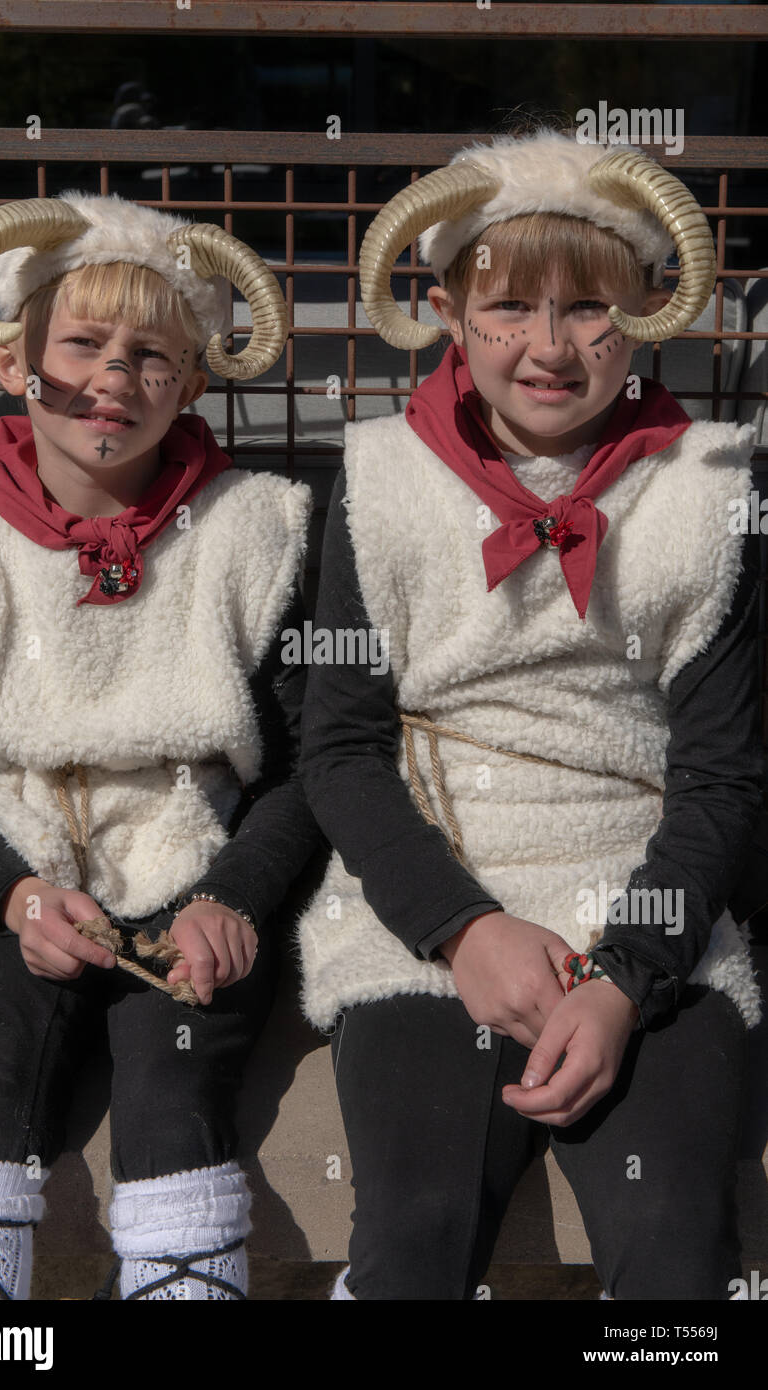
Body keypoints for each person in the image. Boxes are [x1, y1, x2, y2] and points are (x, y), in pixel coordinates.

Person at [297, 125, 764, 1300]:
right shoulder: (379, 482)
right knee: (413, 1224)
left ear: (644, 318)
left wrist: (623, 977)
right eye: (507, 307)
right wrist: (462, 929)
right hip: (433, 904)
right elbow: (341, 745)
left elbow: (721, 775)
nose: (549, 347)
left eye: (591, 310)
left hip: (643, 902)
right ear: (448, 308)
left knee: (672, 1243)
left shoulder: (708, 492)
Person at [0, 192, 320, 1300]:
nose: (112, 378)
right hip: (30, 869)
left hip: (192, 872)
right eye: (82, 343)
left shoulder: (253, 532)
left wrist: (230, 897)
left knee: (172, 1099)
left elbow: (292, 771)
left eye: (150, 356)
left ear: (185, 383)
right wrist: (15, 896)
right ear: (12, 366)